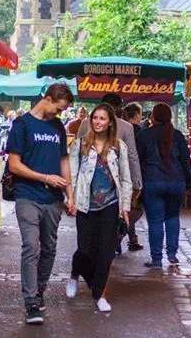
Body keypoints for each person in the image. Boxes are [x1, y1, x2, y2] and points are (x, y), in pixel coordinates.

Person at [6, 83, 74, 325]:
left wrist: (70, 194)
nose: (60, 114)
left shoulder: (58, 127)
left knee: (49, 247)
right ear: (46, 99)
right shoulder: (22, 125)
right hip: (27, 195)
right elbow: (14, 165)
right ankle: (31, 302)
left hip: (53, 200)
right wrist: (45, 177)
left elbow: (64, 161)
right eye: (58, 109)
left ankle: (39, 290)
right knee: (30, 247)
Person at [65, 104, 132, 312]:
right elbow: (72, 175)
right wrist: (70, 200)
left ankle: (99, 294)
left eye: (103, 118)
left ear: (110, 121)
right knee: (85, 250)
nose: (98, 122)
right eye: (95, 118)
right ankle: (75, 273)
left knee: (106, 253)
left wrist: (125, 208)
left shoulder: (119, 146)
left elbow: (125, 179)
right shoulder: (81, 144)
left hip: (110, 206)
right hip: (85, 204)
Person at [136, 103, 191, 268]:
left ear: (153, 117)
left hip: (152, 182)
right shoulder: (177, 135)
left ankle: (156, 259)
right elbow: (185, 161)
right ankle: (172, 255)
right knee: (173, 217)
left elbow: (137, 160)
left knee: (155, 221)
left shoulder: (144, 135)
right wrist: (189, 182)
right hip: (176, 182)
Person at [78, 94, 141, 224]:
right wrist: (137, 182)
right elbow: (132, 156)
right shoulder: (126, 127)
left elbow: (78, 152)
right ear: (118, 108)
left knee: (88, 221)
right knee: (110, 221)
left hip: (88, 179)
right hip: (113, 180)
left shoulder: (86, 123)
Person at [121, 102, 145, 251]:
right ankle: (120, 234)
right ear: (136, 115)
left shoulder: (118, 128)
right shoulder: (138, 131)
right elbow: (136, 156)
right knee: (134, 208)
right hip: (133, 174)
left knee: (126, 207)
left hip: (120, 173)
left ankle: (131, 238)